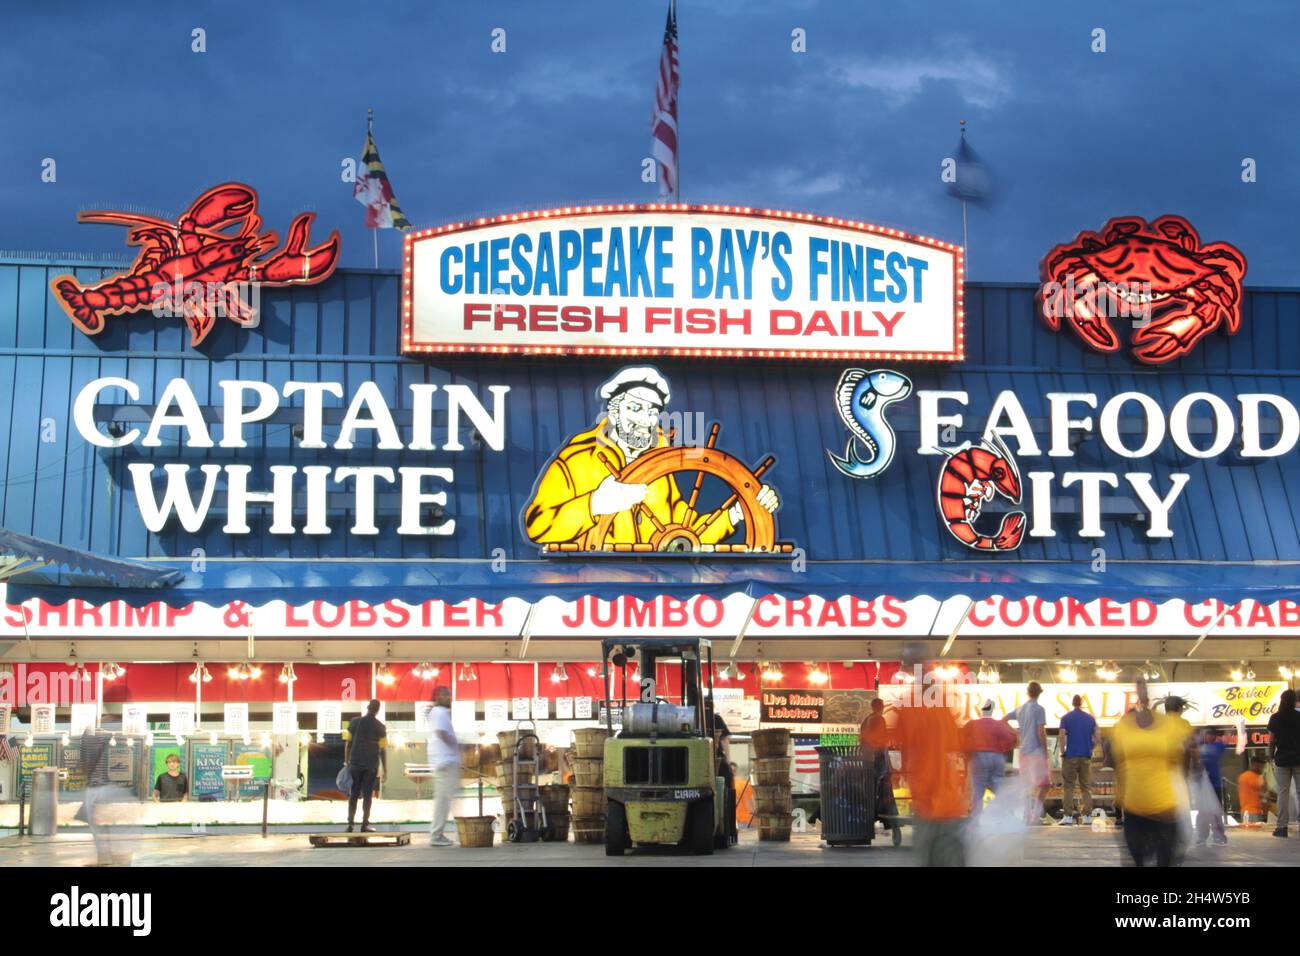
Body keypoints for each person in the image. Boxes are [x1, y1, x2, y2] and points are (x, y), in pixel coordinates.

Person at [523, 367, 779, 548]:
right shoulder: (576, 461)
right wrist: (593, 504)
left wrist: (738, 511)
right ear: (613, 412)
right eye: (635, 408)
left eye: (652, 411)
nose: (645, 420)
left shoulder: (661, 468)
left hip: (657, 596)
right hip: (591, 591)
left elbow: (684, 536)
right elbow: (537, 526)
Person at [893, 645, 967, 865]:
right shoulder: (942, 703)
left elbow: (902, 745)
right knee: (949, 855)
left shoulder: (909, 707)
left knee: (930, 854)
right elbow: (955, 743)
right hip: (947, 797)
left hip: (927, 797)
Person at [1110, 677, 1194, 867]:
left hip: (1164, 807)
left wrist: (1182, 791)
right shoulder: (1123, 728)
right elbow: (1116, 762)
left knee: (1164, 861)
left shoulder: (1169, 726)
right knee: (1138, 861)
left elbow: (1185, 758)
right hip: (1133, 807)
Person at [961, 699, 1016, 816]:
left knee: (978, 789)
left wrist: (967, 753)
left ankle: (975, 818)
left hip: (978, 757)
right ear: (992, 711)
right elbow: (1010, 739)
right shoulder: (998, 725)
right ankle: (1007, 815)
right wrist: (1002, 750)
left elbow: (961, 738)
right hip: (996, 757)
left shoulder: (972, 724)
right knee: (999, 787)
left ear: (982, 710)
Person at [1004, 681, 1049, 824]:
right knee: (1044, 784)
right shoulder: (1039, 709)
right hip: (1036, 751)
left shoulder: (1020, 709)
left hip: (1023, 752)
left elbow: (1003, 720)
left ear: (1027, 692)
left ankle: (1026, 814)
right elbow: (1040, 731)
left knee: (1027, 784)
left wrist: (1017, 733)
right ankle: (1035, 816)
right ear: (1040, 693)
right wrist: (1045, 749)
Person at [342, 699, 387, 833]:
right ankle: (364, 825)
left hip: (355, 763)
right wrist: (386, 769)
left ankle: (350, 824)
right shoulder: (380, 727)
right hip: (371, 765)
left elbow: (347, 743)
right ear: (378, 710)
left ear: (367, 707)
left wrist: (346, 762)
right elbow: (383, 750)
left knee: (354, 793)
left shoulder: (354, 722)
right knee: (367, 795)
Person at [1058, 695, 1099, 825]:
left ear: (1072, 703)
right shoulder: (1090, 718)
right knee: (1085, 787)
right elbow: (1098, 737)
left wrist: (1063, 752)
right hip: (1086, 756)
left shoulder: (1065, 718)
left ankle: (1068, 817)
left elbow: (1061, 736)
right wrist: (1090, 747)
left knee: (1068, 786)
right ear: (1081, 703)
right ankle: (1087, 817)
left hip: (1070, 756)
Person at [426, 686, 459, 847]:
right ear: (438, 696)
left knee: (446, 799)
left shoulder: (438, 713)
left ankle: (440, 833)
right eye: (445, 695)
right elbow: (441, 733)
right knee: (444, 800)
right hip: (445, 762)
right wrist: (454, 744)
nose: (448, 697)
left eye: (449, 695)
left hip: (445, 762)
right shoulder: (439, 712)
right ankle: (436, 835)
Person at [1267, 688, 1300, 837]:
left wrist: (1270, 755)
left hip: (1282, 759)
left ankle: (1282, 827)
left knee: (1283, 793)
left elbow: (1271, 740)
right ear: (1294, 701)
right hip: (1299, 758)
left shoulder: (1275, 718)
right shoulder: (1298, 717)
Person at [1193, 727, 1227, 846]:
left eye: (1213, 734)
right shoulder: (1199, 746)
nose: (1211, 736)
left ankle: (1218, 836)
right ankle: (1201, 836)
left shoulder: (1218, 747)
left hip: (1215, 784)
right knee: (1202, 812)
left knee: (1215, 812)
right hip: (1201, 785)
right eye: (1209, 734)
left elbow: (1225, 741)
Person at [1237, 756, 1273, 828]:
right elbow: (1267, 792)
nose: (1262, 769)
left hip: (1245, 811)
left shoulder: (1242, 776)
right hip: (1254, 812)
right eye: (1261, 766)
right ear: (1254, 764)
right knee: (1256, 834)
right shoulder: (1256, 778)